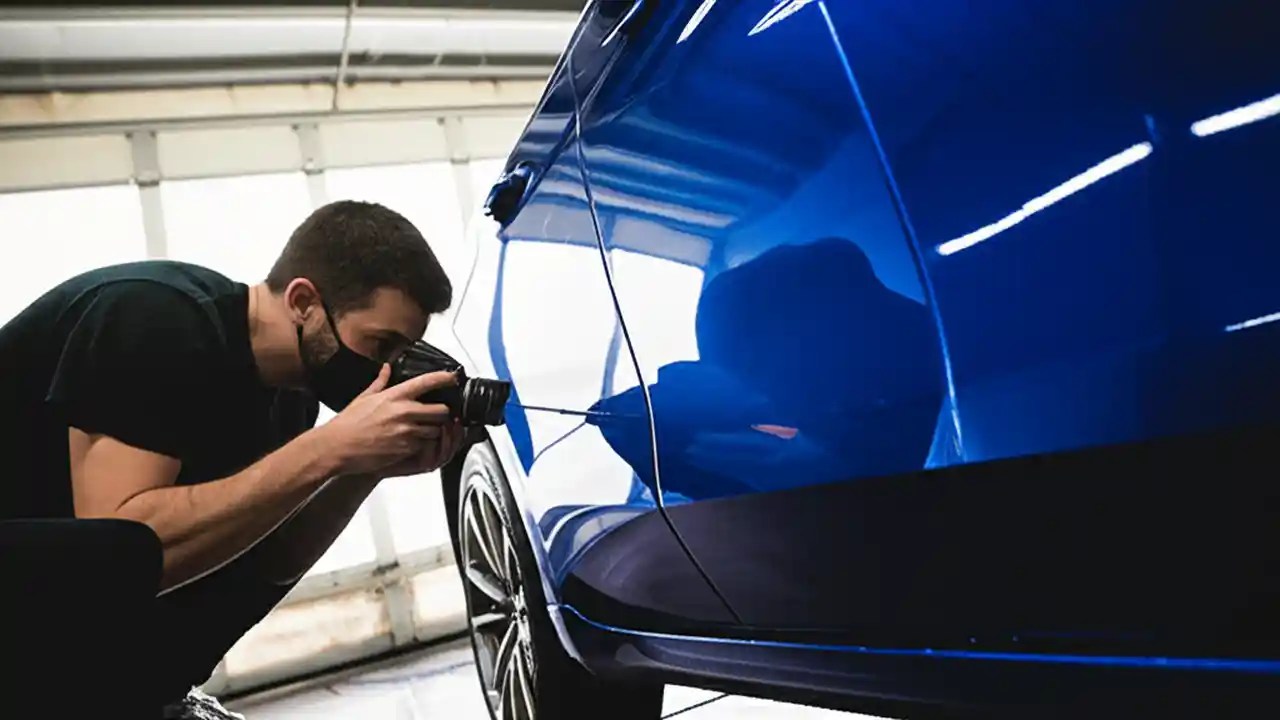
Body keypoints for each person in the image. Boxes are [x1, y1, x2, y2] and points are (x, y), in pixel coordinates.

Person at [0, 200, 466, 717]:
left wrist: (363, 467)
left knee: (236, 559)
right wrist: (330, 446)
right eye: (380, 344)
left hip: (47, 609)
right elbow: (118, 547)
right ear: (304, 301)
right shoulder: (155, 318)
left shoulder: (292, 400)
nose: (384, 368)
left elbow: (273, 561)